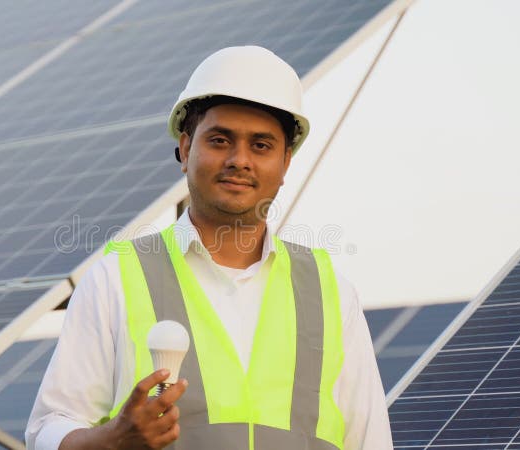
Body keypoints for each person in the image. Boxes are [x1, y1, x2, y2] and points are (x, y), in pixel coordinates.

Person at [26, 46, 392, 450]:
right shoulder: (115, 279)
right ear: (185, 149)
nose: (239, 160)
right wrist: (112, 440)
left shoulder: (332, 295)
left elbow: (370, 441)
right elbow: (46, 430)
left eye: (261, 145)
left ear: (286, 163)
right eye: (220, 140)